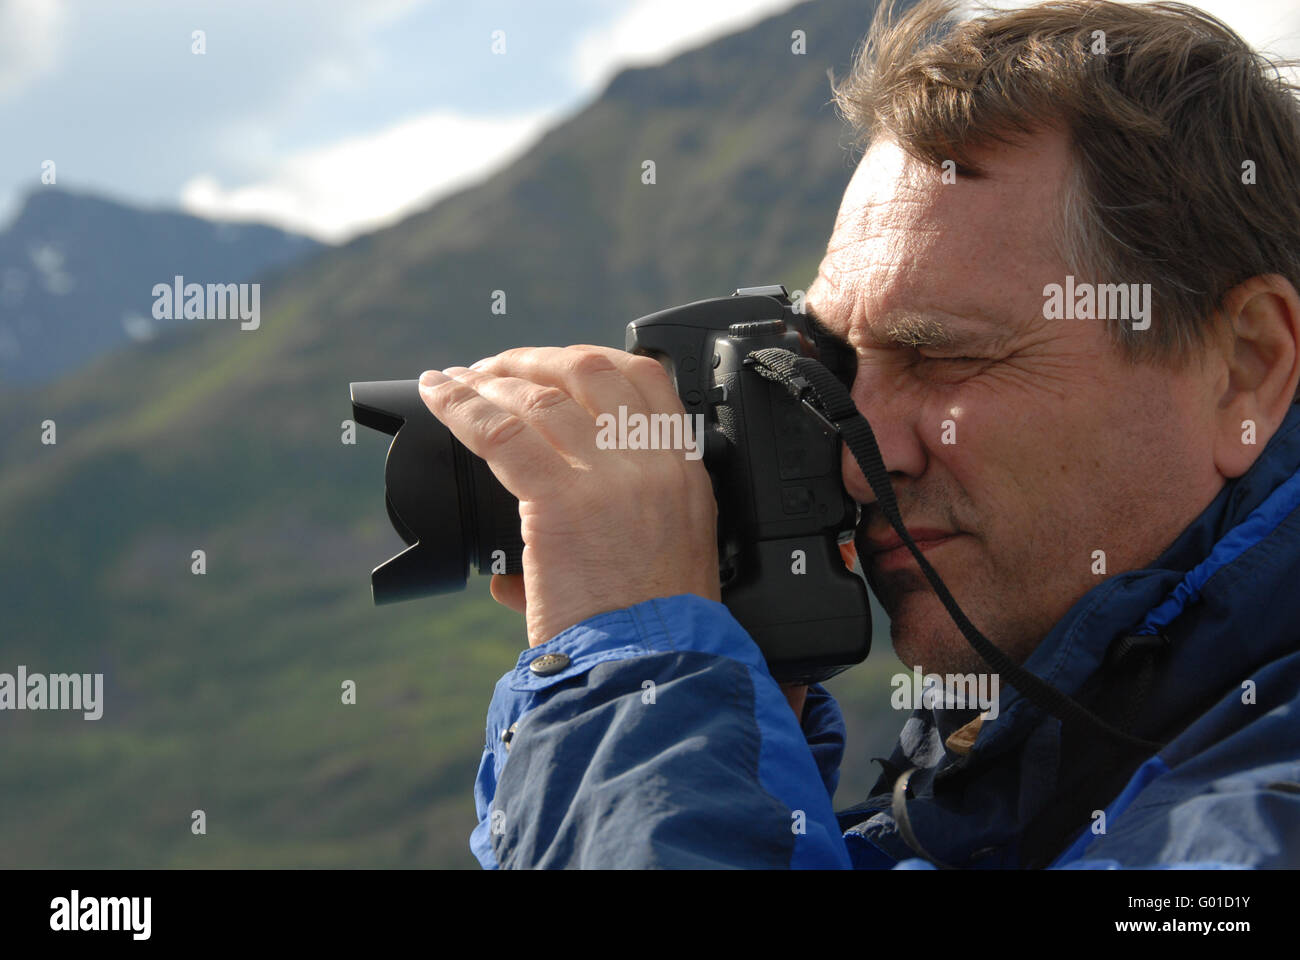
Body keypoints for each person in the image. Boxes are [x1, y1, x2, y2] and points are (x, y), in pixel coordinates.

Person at [418, 0, 1300, 868]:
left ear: (1246, 369)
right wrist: (731, 722)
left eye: (941, 357)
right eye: (836, 371)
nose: (854, 460)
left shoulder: (1258, 821)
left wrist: (632, 683)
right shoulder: (1005, 795)